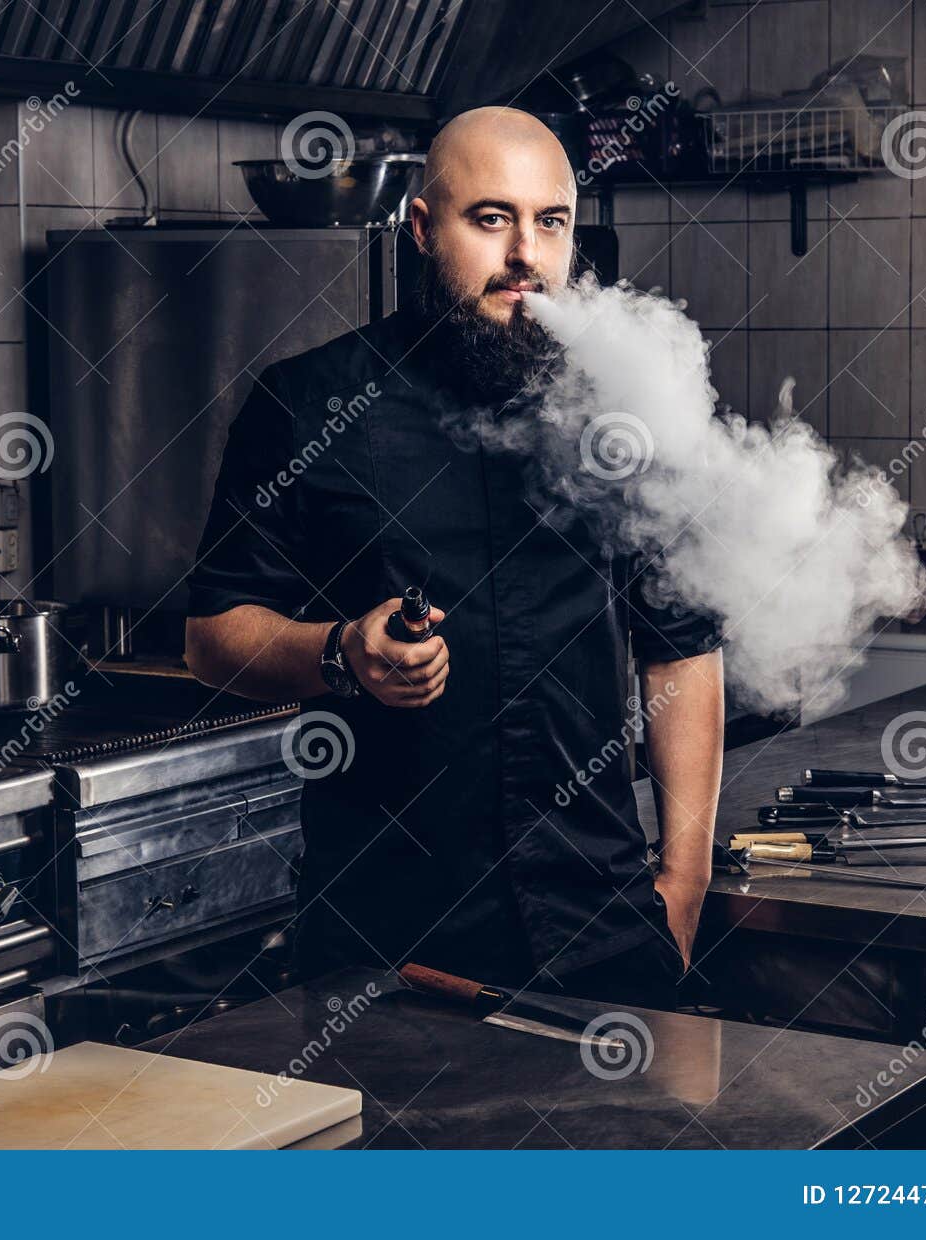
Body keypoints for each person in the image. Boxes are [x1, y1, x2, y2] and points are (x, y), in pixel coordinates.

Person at [184, 107, 725, 1011]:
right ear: (423, 228)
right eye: (490, 218)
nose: (525, 252)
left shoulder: (626, 414)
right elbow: (211, 638)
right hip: (384, 946)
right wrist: (340, 652)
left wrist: (685, 883)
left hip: (600, 926)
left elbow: (682, 648)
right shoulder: (308, 405)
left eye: (550, 222)